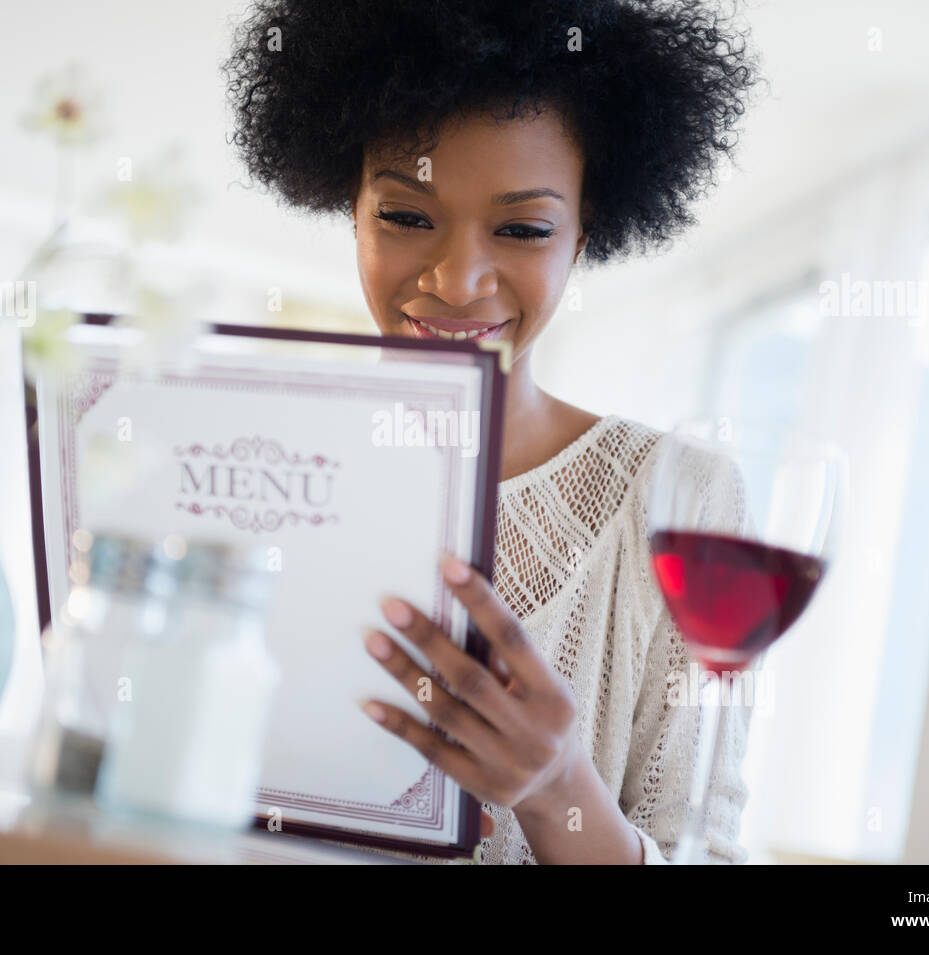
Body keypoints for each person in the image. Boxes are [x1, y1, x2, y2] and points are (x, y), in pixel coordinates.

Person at [222, 0, 761, 864]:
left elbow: (705, 847)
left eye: (521, 229)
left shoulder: (685, 499)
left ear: (582, 237)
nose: (456, 279)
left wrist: (558, 791)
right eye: (405, 216)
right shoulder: (247, 465)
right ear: (350, 211)